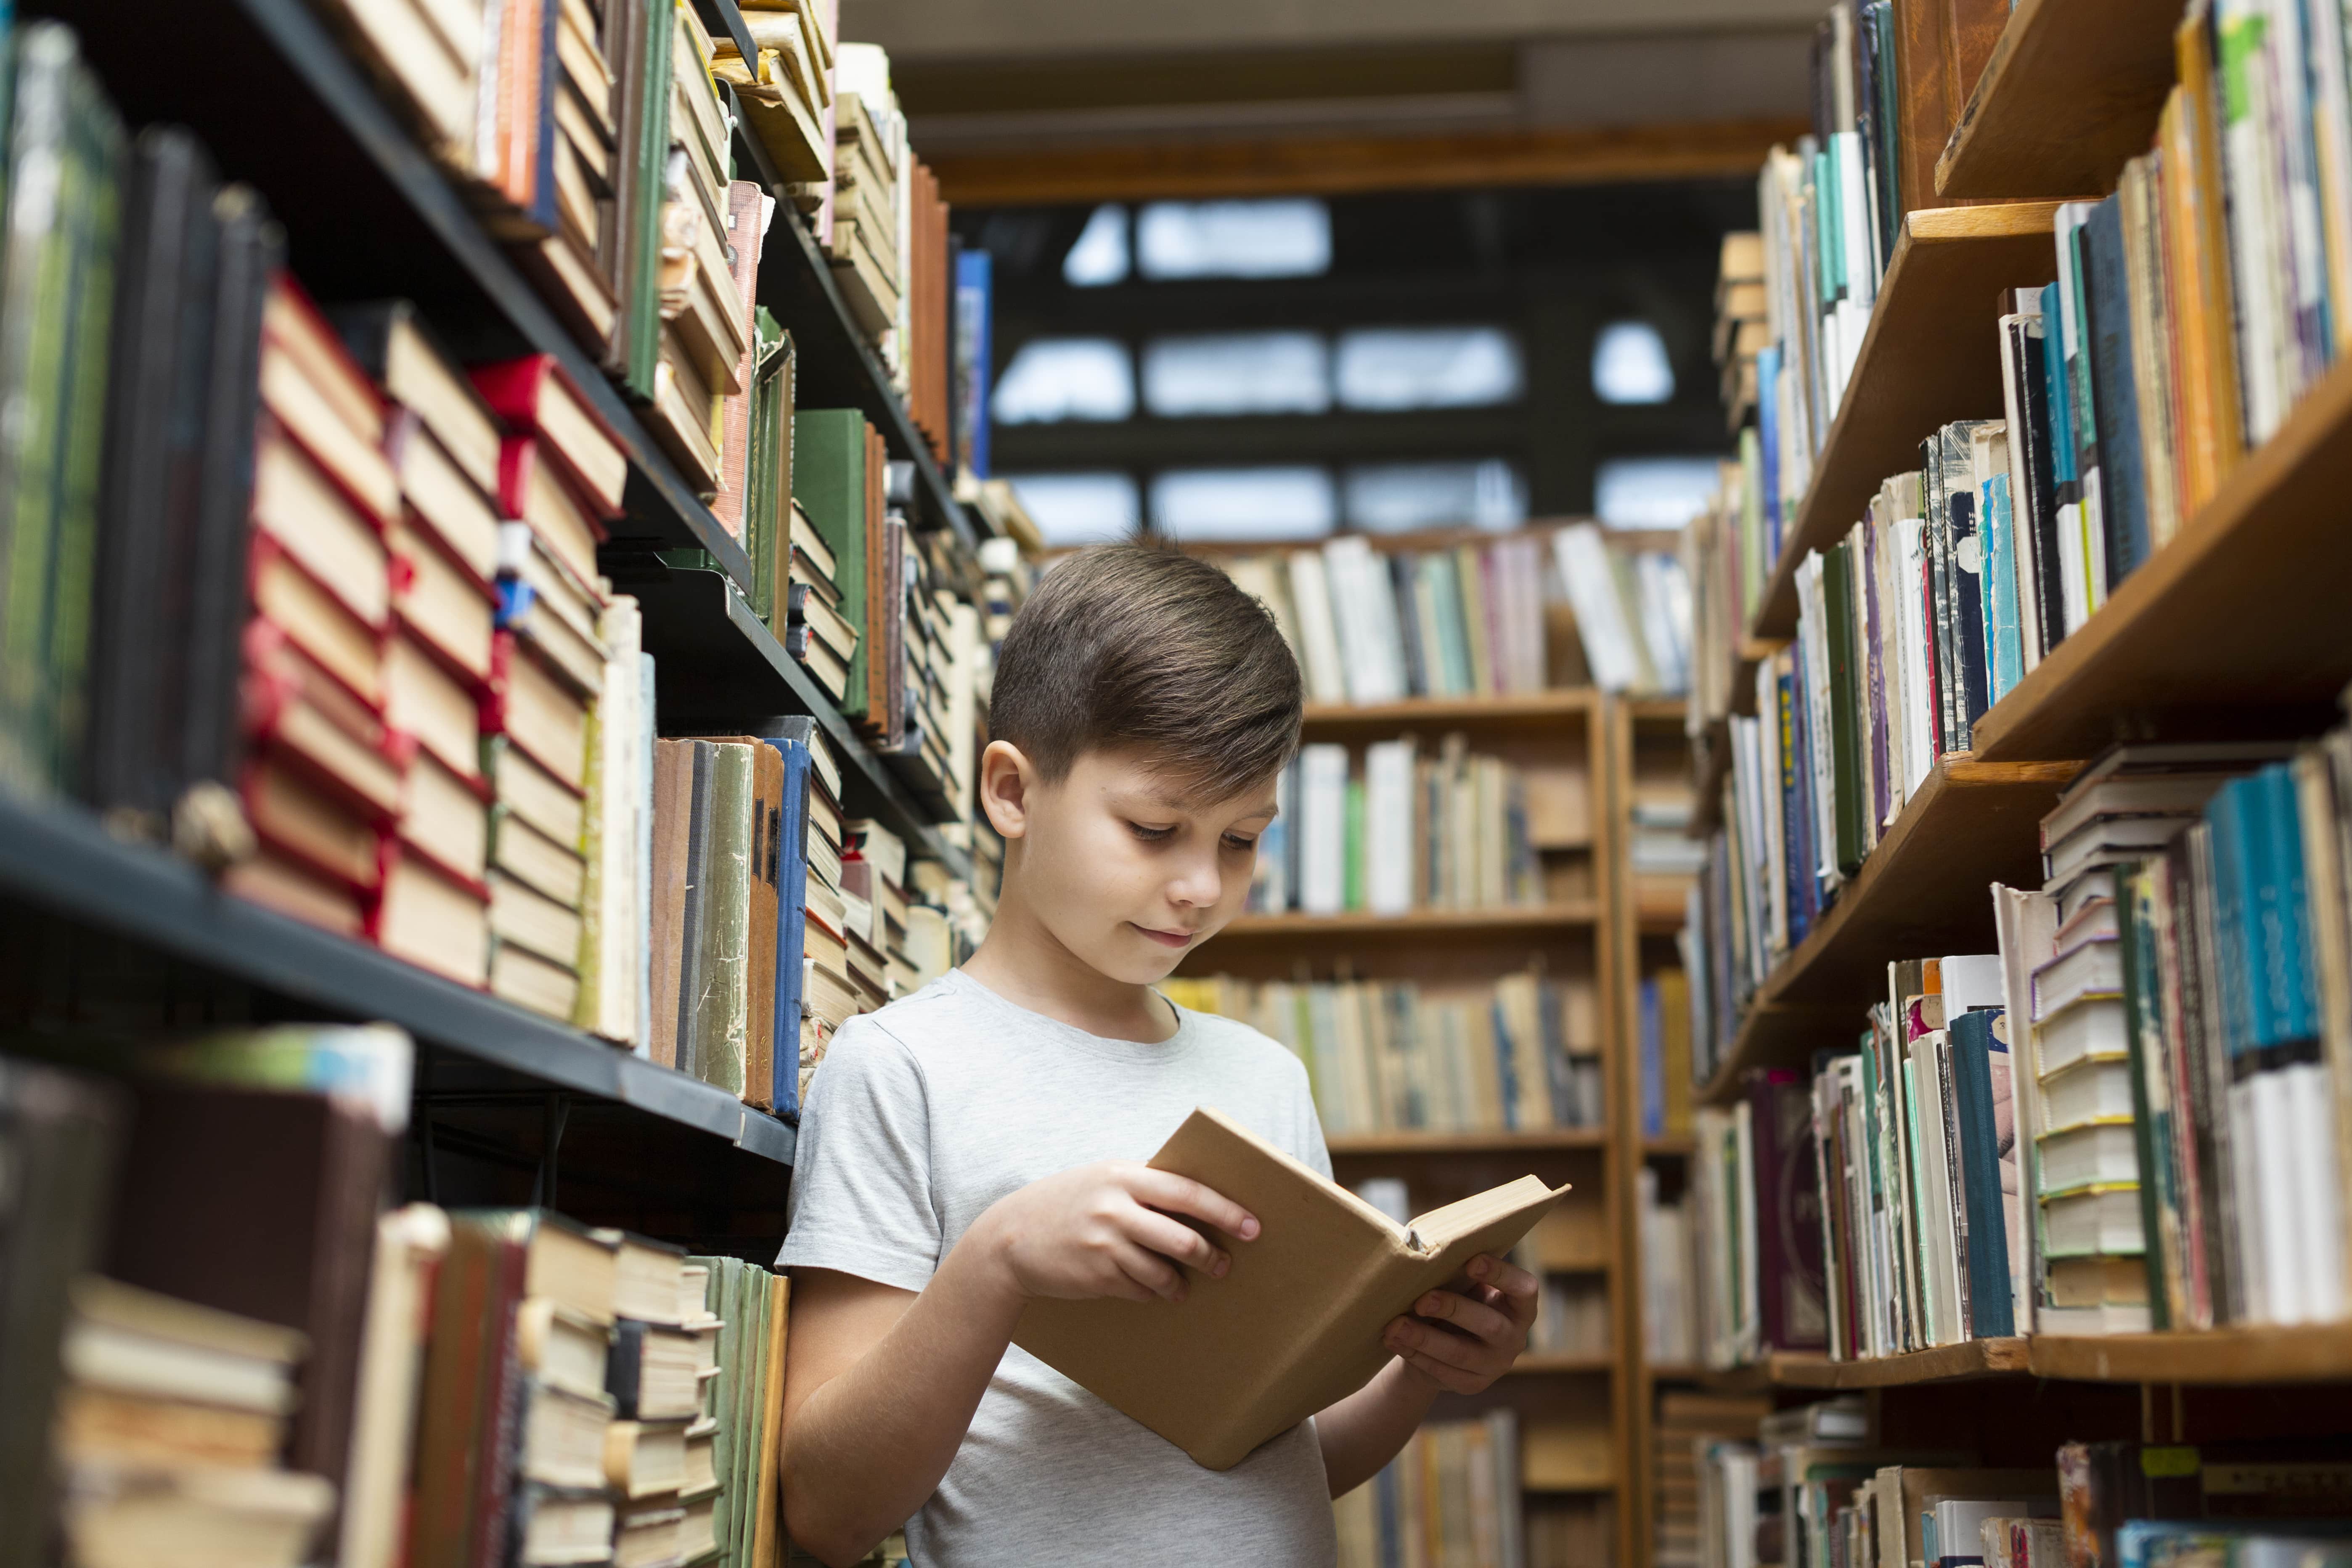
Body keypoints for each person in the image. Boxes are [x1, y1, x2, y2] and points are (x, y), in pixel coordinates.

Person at [776, 545, 1539, 1567]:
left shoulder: (1264, 1078)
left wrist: (1423, 1366)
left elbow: (1278, 1456)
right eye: (1153, 828)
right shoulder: (899, 1067)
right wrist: (999, 1261)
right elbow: (829, 1512)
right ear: (1012, 790)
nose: (1201, 887)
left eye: (1241, 839)